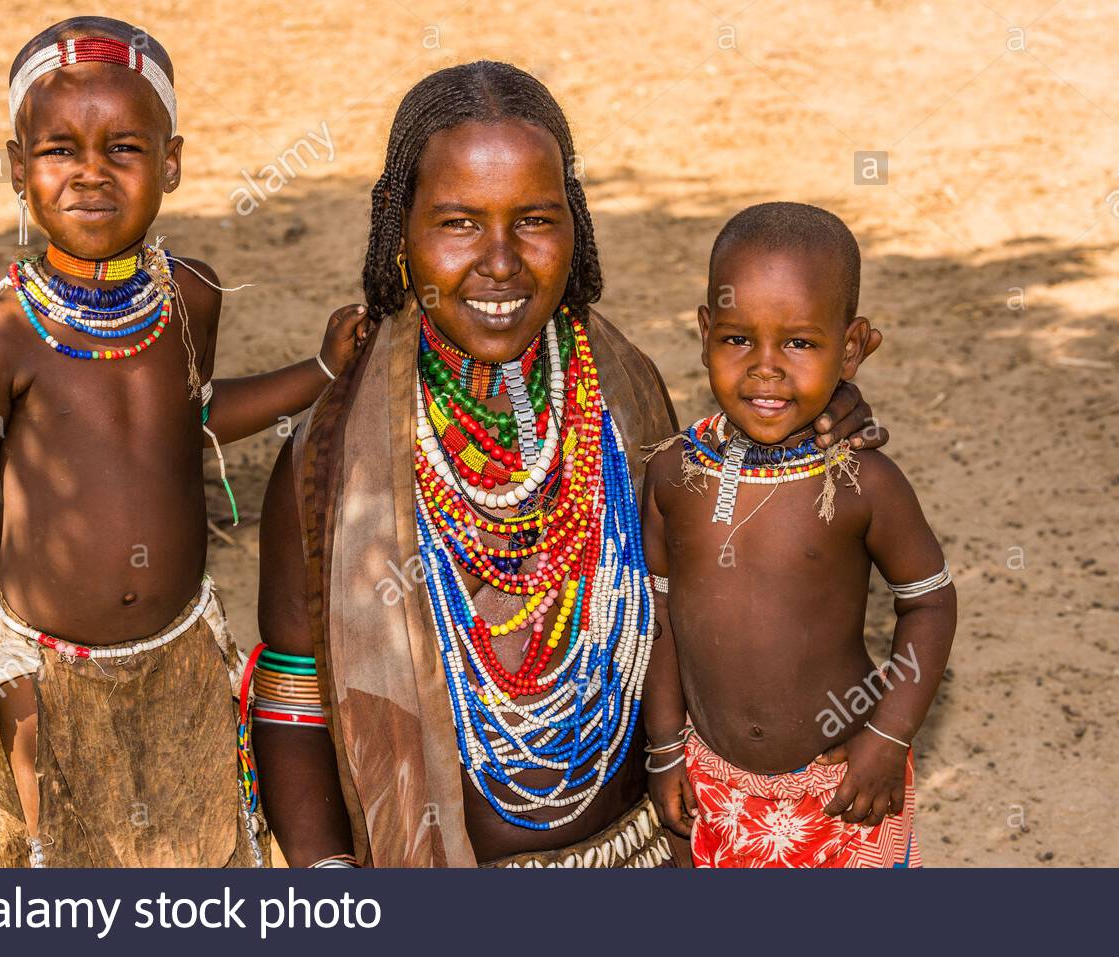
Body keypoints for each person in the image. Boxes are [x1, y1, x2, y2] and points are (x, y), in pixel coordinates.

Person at [253, 64, 887, 867]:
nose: (500, 261)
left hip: (644, 858)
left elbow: (726, 548)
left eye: (535, 220)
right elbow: (294, 694)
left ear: (575, 223)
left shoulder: (624, 399)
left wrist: (806, 432)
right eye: (457, 222)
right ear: (398, 227)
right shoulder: (330, 459)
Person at [0, 16, 368, 868]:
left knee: (203, 854)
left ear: (170, 161)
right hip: (47, 673)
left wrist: (319, 368)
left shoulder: (190, 296)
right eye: (59, 150)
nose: (90, 172)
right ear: (18, 168)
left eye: (123, 147)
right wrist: (33, 563)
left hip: (183, 649)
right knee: (62, 864)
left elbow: (191, 416)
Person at [641, 202, 957, 868]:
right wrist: (666, 747)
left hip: (844, 787)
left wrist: (890, 734)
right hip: (715, 788)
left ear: (850, 348)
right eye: (736, 339)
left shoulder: (865, 482)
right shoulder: (673, 472)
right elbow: (660, 614)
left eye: (800, 342)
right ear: (704, 334)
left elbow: (929, 603)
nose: (764, 367)